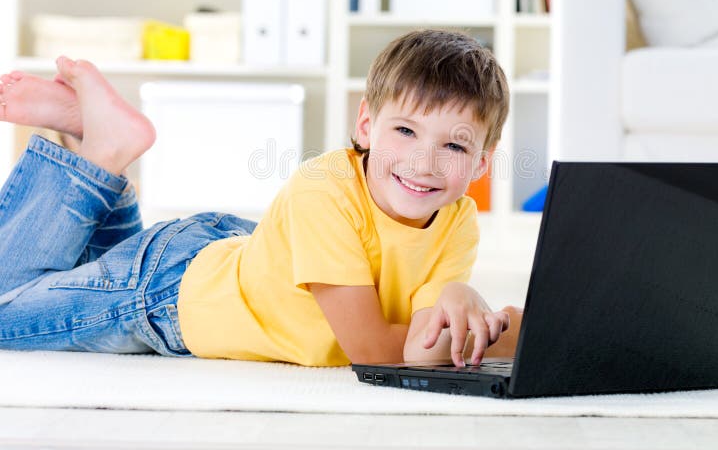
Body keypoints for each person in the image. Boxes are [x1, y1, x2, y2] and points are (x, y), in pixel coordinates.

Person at [0, 29, 521, 368]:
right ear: (365, 123)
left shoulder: (458, 219)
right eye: (405, 131)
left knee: (81, 266)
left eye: (453, 145)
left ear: (481, 162)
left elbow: (420, 344)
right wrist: (488, 336)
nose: (424, 163)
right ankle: (102, 151)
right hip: (169, 293)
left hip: (240, 258)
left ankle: (99, 136)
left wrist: (458, 301)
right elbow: (376, 353)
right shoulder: (324, 190)